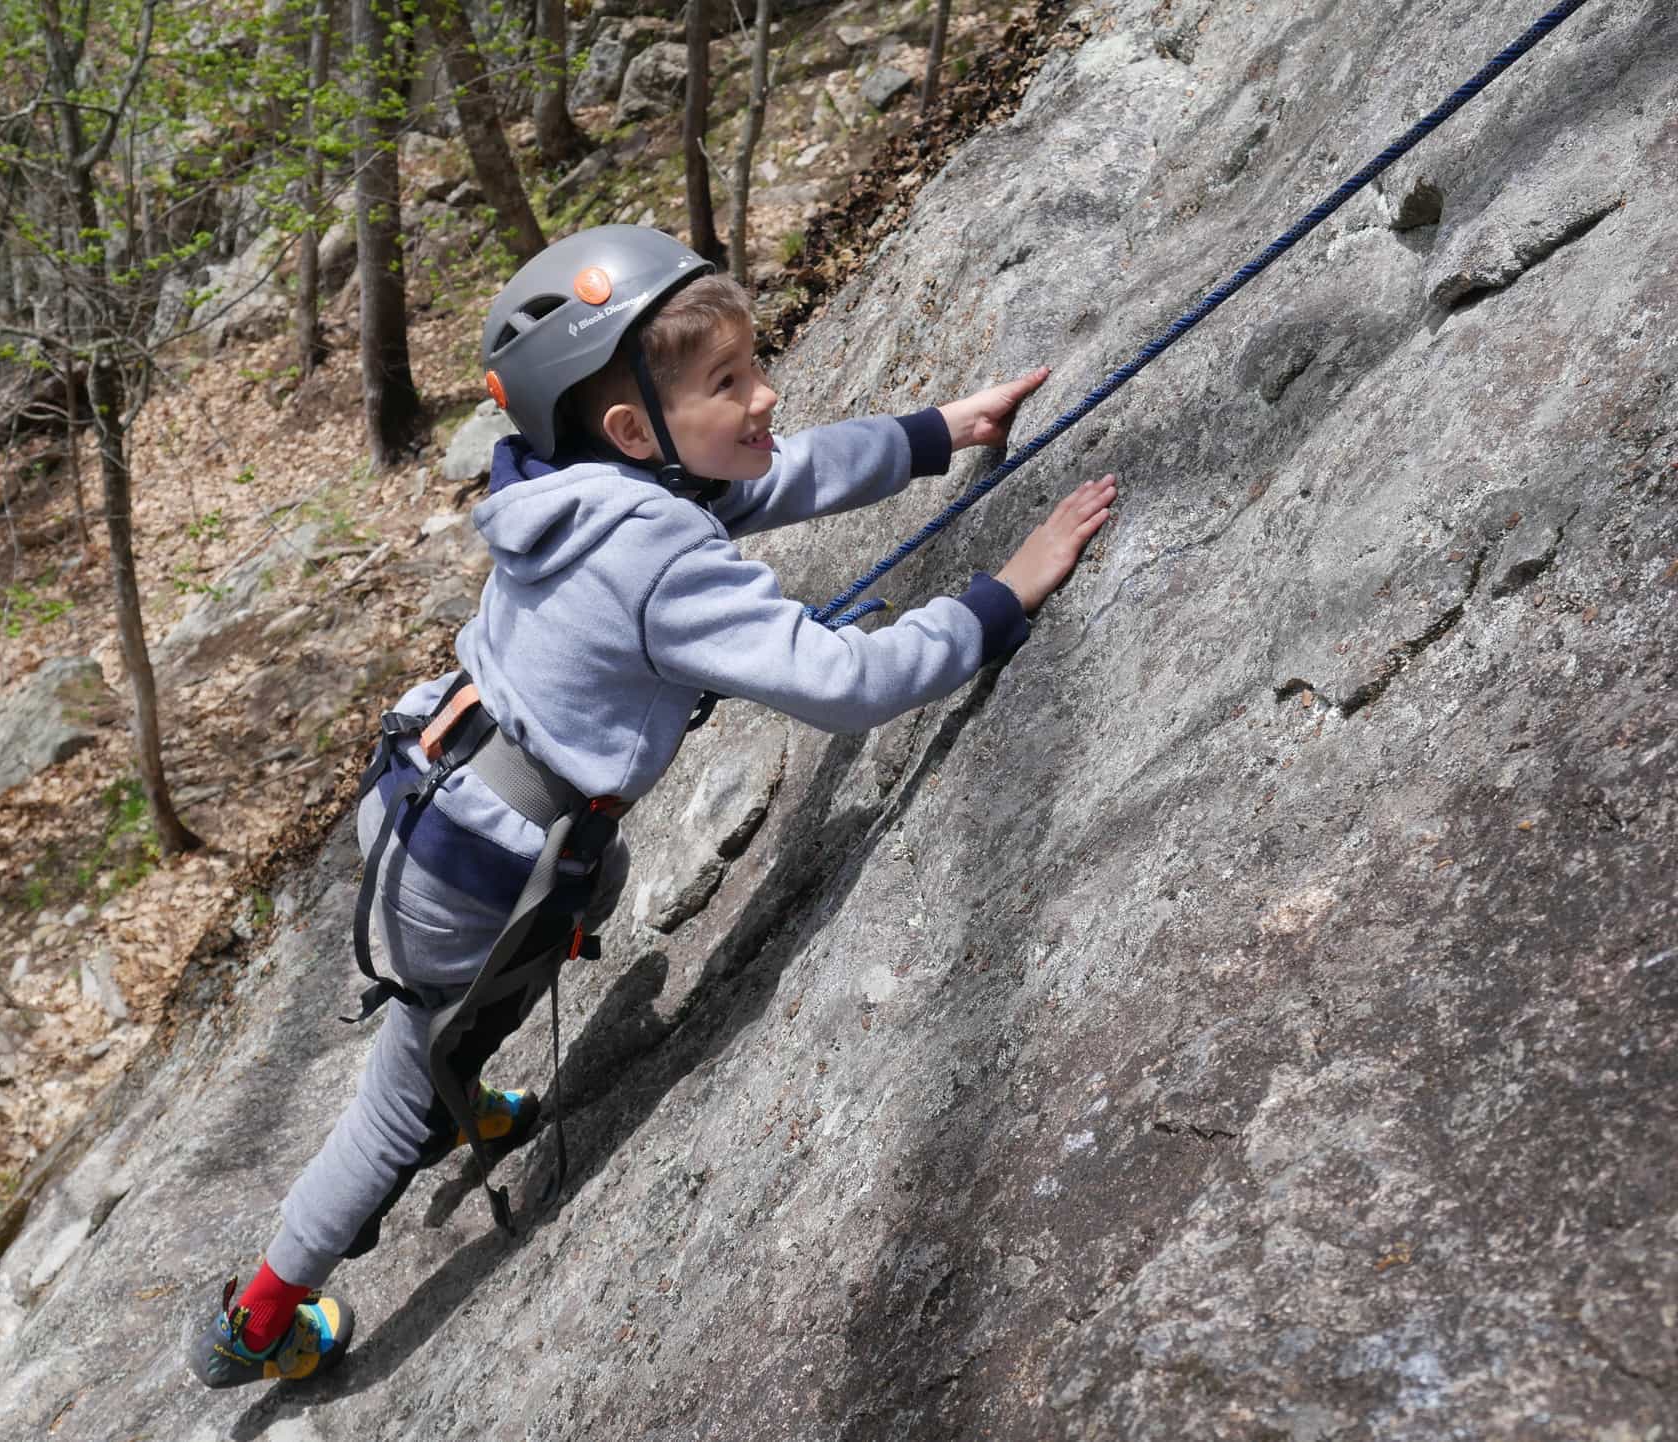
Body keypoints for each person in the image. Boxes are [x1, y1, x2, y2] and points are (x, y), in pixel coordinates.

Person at [189, 225, 1117, 1386]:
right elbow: (848, 684)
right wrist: (1004, 590)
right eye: (726, 380)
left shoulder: (577, 486)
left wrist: (939, 433)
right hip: (476, 864)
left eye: (754, 359)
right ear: (634, 427)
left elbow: (770, 471)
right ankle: (262, 1317)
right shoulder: (657, 554)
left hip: (438, 791)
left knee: (532, 942)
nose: (764, 390)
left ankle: (457, 1070)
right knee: (398, 1096)